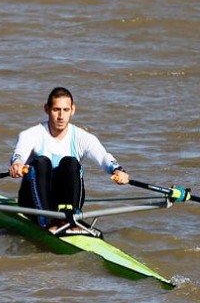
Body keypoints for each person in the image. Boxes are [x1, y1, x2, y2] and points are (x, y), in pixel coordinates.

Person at [8, 87, 129, 231]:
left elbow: (103, 157)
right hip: (32, 202)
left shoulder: (82, 137)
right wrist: (16, 164)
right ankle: (48, 222)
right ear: (47, 109)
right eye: (56, 109)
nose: (61, 116)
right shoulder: (31, 134)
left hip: (63, 201)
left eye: (65, 110)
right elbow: (19, 153)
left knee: (70, 162)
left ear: (73, 110)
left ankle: (71, 218)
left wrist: (118, 170)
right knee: (42, 162)